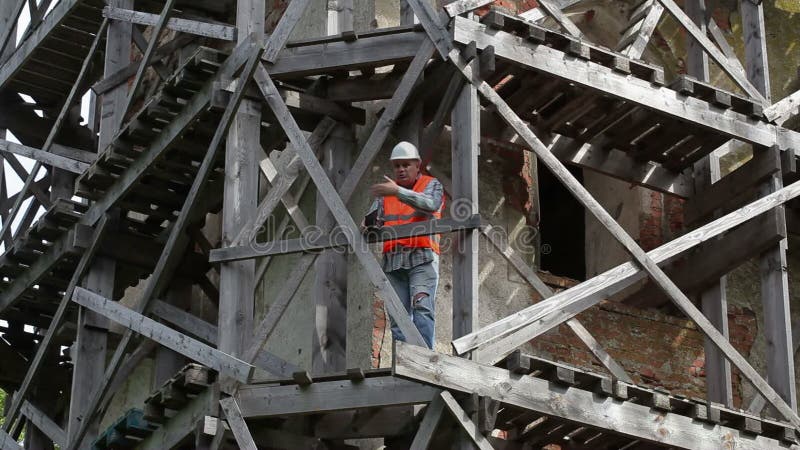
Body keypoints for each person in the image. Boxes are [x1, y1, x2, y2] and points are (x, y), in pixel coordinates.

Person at [364, 141, 444, 349]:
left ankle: (425, 360)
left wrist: (397, 191)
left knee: (422, 308)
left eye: (406, 165)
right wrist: (367, 225)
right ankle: (402, 362)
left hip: (422, 258)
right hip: (393, 262)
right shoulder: (387, 195)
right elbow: (372, 220)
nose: (401, 169)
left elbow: (431, 204)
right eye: (397, 165)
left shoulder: (431, 184)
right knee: (398, 318)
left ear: (417, 165)